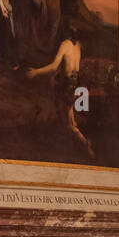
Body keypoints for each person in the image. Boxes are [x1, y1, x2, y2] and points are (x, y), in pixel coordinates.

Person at [26, 27, 93, 156]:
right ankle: (79, 144)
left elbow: (53, 67)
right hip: (76, 86)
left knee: (69, 124)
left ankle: (86, 146)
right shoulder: (78, 45)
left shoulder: (64, 44)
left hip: (67, 87)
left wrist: (36, 72)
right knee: (69, 118)